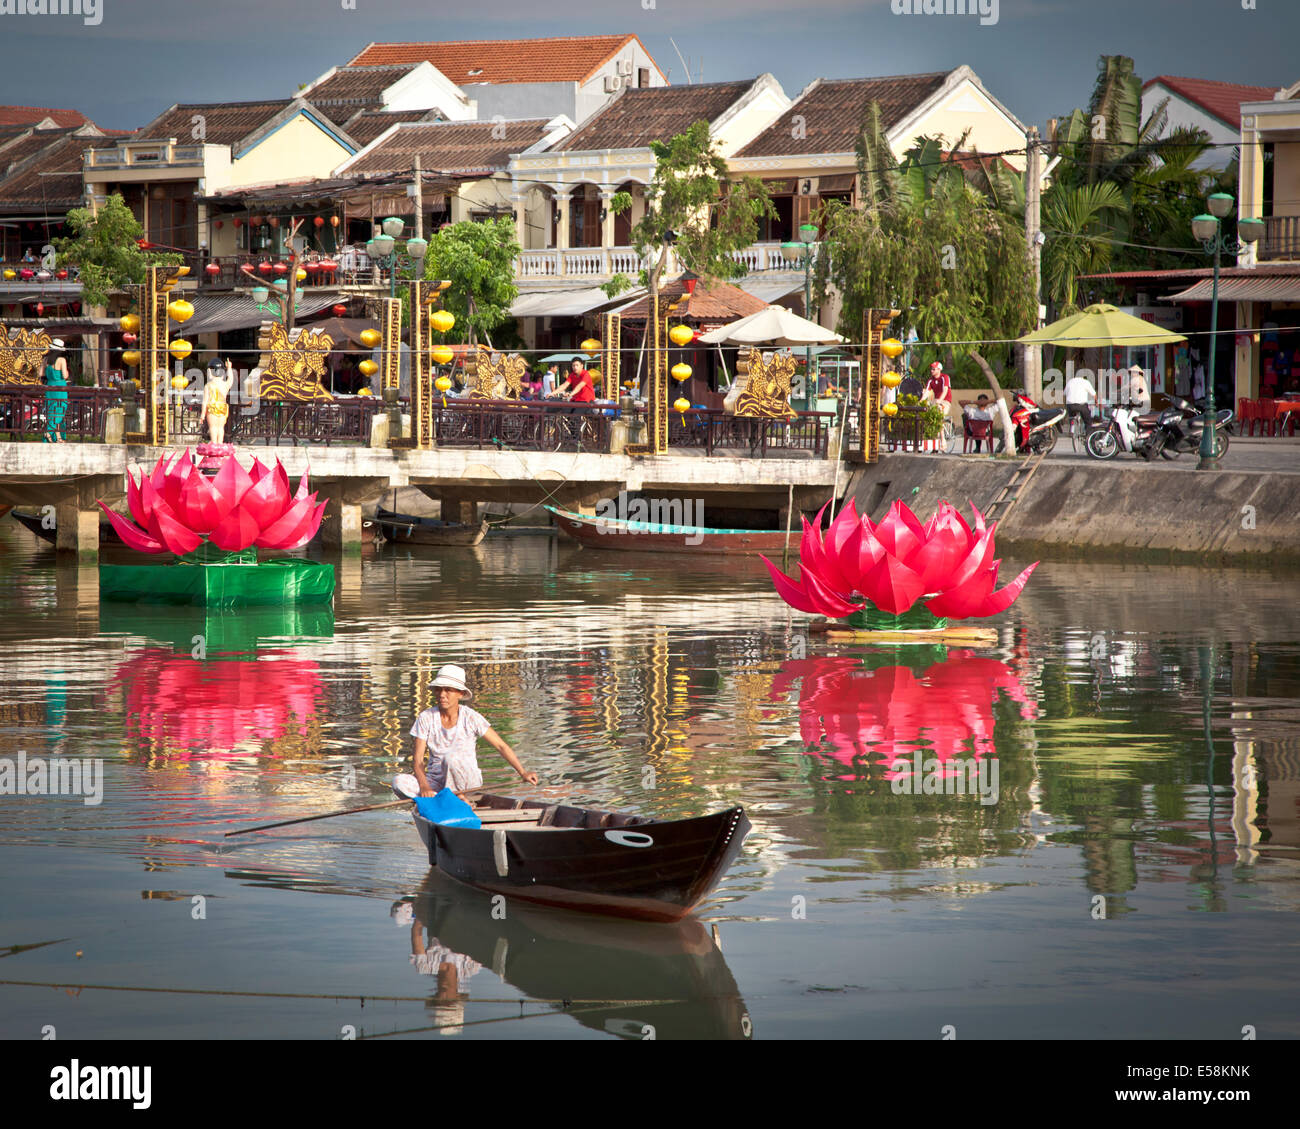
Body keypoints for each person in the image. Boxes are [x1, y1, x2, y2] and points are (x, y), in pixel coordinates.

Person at [410, 665, 537, 799]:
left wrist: (523, 772)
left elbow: (501, 746)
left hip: (467, 781)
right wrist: (425, 787)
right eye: (439, 690)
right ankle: (437, 798)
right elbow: (418, 760)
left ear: (461, 694)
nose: (442, 695)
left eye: (448, 690)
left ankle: (457, 799)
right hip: (436, 782)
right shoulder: (426, 717)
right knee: (400, 782)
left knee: (450, 758)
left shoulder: (471, 717)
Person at [201, 357, 234, 446]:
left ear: (209, 373)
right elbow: (230, 380)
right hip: (223, 408)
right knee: (220, 428)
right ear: (222, 373)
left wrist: (202, 414)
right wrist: (229, 368)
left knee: (213, 427)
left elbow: (205, 401)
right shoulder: (225, 385)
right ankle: (220, 444)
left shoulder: (208, 385)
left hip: (212, 407)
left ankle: (214, 444)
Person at [43, 339, 69, 443]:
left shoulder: (46, 360)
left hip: (49, 387)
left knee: (52, 412)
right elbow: (65, 375)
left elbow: (41, 374)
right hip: (60, 387)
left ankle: (58, 437)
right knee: (60, 411)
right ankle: (48, 432)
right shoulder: (62, 360)